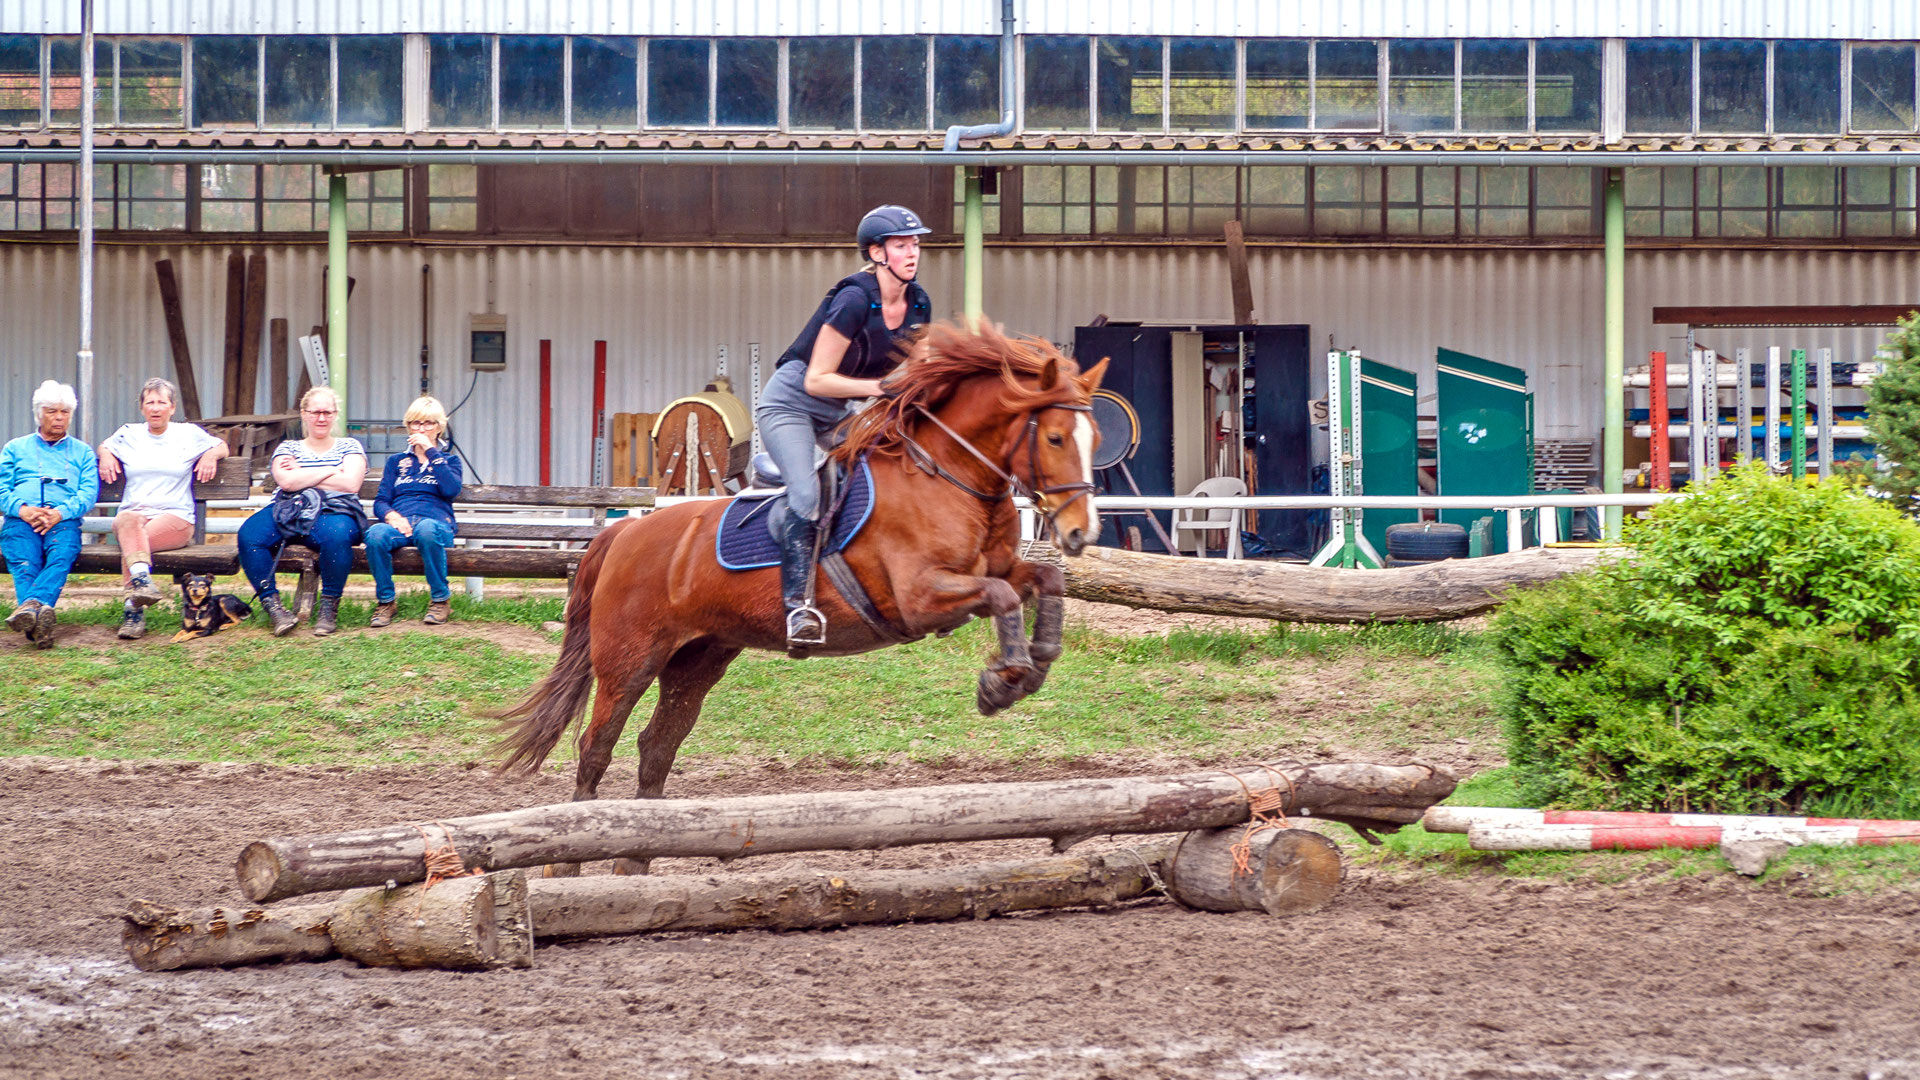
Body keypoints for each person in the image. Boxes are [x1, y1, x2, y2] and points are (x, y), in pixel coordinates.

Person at [756, 205, 933, 649]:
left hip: (838, 412)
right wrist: (881, 388)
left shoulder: (919, 302)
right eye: (901, 245)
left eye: (915, 244)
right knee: (806, 495)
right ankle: (798, 607)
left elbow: (920, 374)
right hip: (791, 406)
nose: (912, 252)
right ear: (876, 253)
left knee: (892, 466)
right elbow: (817, 380)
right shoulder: (854, 300)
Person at [96, 377, 228, 640]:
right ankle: (142, 582)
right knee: (128, 522)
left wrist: (211, 455)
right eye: (150, 402)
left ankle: (133, 612)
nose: (155, 408)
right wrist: (106, 455)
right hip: (133, 517)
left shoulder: (188, 434)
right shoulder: (129, 433)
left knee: (132, 544)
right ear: (142, 407)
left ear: (172, 407)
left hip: (175, 518)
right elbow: (104, 445)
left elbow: (222, 445)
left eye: (161, 402)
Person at [236, 386, 367, 637]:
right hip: (290, 509)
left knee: (337, 535)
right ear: (304, 414)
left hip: (334, 510)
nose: (321, 418)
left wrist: (302, 474)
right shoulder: (288, 447)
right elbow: (287, 483)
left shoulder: (349, 446)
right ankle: (274, 608)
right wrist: (332, 470)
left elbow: (351, 483)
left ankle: (328, 608)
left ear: (335, 414)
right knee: (250, 535)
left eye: (327, 412)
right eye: (315, 412)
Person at [1, 380, 98, 649]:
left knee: (61, 554)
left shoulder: (82, 452)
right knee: (25, 561)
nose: (58, 417)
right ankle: (39, 623)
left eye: (64, 412)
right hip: (21, 520)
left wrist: (60, 512)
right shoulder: (15, 448)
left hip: (63, 522)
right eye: (52, 411)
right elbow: (2, 488)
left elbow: (88, 493)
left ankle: (31, 609)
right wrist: (23, 509)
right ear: (38, 413)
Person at [364, 395, 463, 628]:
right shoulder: (396, 462)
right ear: (408, 427)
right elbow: (381, 501)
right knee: (375, 534)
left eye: (428, 423)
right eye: (416, 423)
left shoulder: (449, 461)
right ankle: (386, 601)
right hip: (402, 525)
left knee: (426, 529)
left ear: (439, 427)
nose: (422, 428)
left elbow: (451, 490)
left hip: (436, 525)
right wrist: (392, 516)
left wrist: (431, 452)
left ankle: (441, 600)